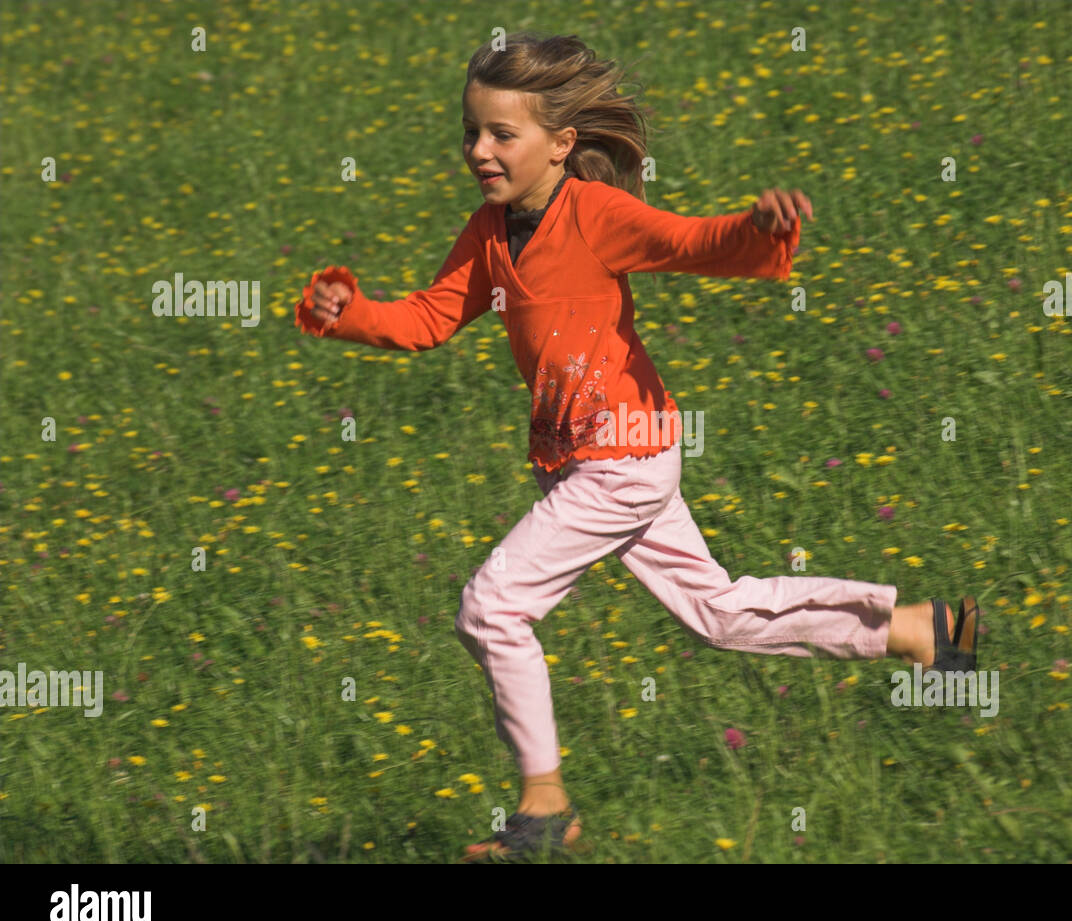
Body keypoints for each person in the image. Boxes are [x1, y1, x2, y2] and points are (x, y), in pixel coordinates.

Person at [295, 31, 980, 863]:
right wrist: (353, 313)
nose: (479, 150)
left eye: (501, 135)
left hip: (622, 459)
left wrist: (757, 231)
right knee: (719, 614)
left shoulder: (595, 215)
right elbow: (432, 317)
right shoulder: (490, 232)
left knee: (492, 609)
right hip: (602, 459)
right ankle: (920, 631)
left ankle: (545, 810)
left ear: (562, 143)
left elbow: (688, 242)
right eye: (470, 132)